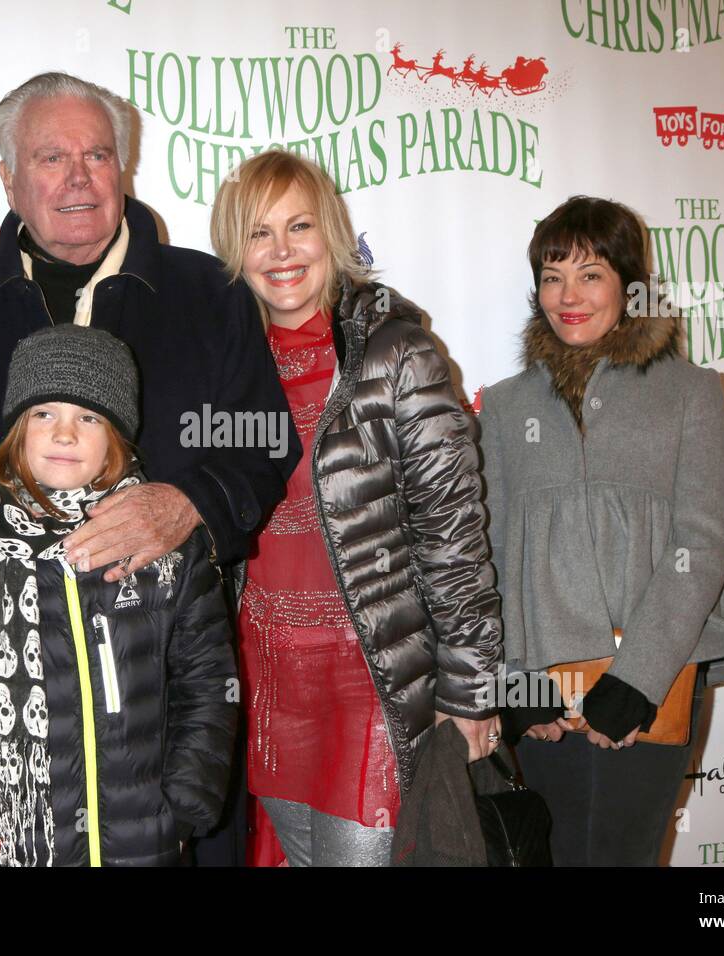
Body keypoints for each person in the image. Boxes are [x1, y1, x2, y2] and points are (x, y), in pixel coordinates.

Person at [0, 71, 296, 864]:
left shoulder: (210, 293)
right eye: (51, 157)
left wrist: (190, 504)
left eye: (97, 155)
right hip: (15, 752)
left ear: (124, 168)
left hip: (161, 723)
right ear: (7, 177)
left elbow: (265, 441)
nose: (77, 177)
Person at [208, 149, 503, 866]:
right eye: (258, 233)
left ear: (332, 233)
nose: (281, 252)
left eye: (299, 226)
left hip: (374, 687)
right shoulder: (222, 364)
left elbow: (454, 536)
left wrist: (471, 694)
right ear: (233, 250)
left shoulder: (397, 353)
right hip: (265, 687)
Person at [478, 195, 724, 866]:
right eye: (552, 276)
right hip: (542, 690)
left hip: (655, 675)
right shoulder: (505, 403)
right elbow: (490, 553)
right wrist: (516, 678)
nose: (567, 295)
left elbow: (698, 543)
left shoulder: (691, 391)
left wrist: (637, 679)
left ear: (629, 285)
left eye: (590, 274)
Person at [0, 324, 237, 866]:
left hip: (144, 844)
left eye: (88, 417)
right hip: (16, 846)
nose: (65, 434)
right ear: (16, 431)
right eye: (44, 415)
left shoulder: (163, 553)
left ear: (117, 438)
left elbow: (207, 685)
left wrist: (183, 808)